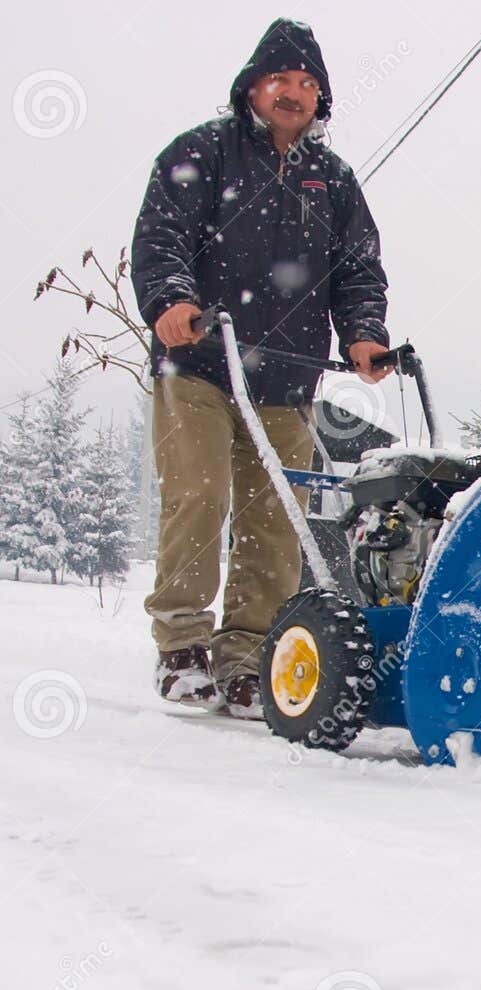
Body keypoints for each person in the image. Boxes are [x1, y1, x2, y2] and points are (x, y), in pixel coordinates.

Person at [132, 18, 392, 719]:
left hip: (286, 375)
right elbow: (161, 238)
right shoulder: (202, 154)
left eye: (310, 85)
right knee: (202, 492)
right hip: (199, 363)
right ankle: (182, 644)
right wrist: (171, 301)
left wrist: (365, 335)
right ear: (252, 85)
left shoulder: (332, 181)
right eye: (283, 79)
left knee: (275, 516)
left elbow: (359, 269)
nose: (296, 93)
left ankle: (247, 654)